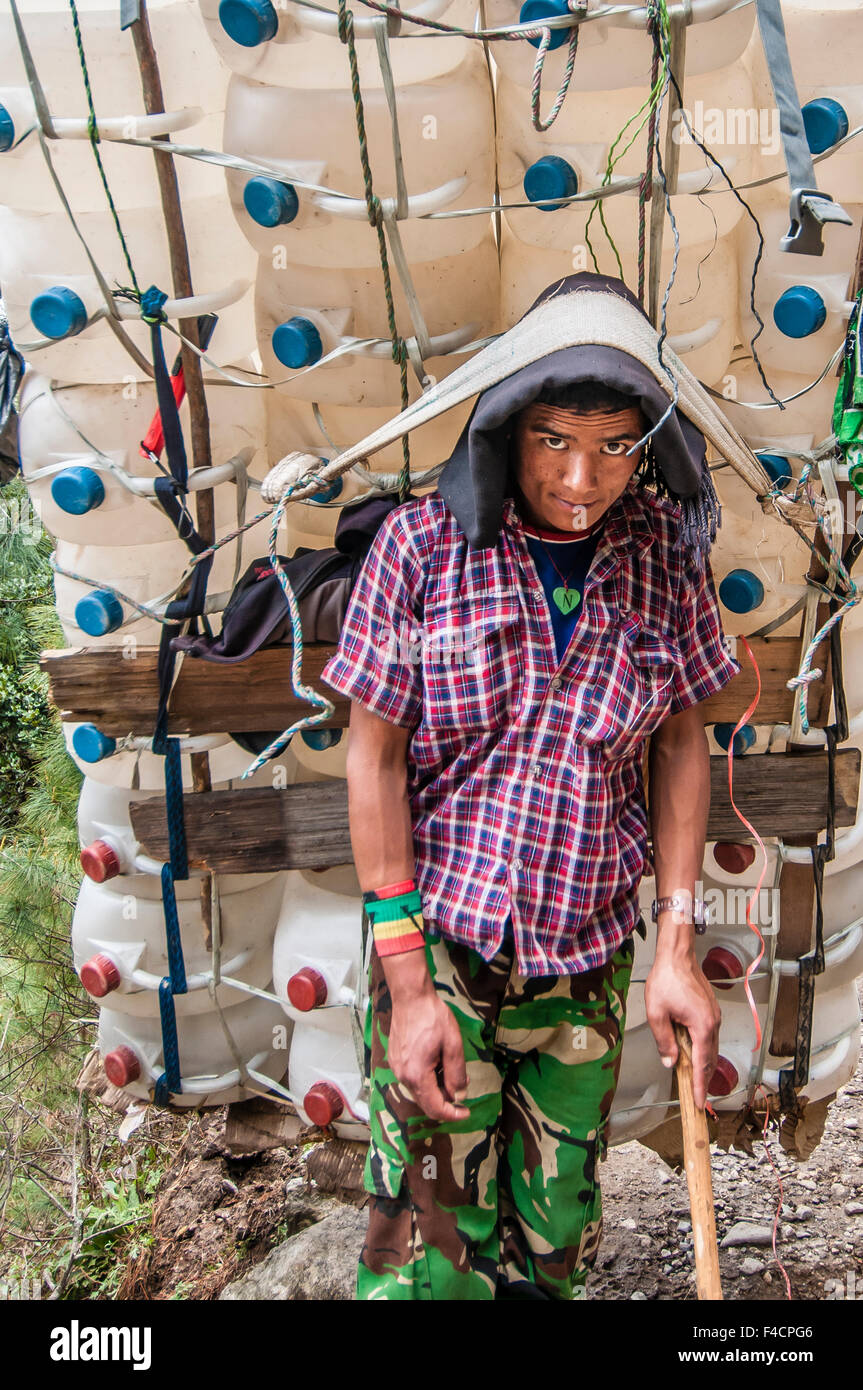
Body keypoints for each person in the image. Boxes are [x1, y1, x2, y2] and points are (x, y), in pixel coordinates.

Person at [320, 272, 742, 1300]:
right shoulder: (418, 550)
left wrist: (675, 948)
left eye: (610, 446)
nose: (580, 476)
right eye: (554, 439)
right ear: (507, 425)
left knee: (552, 1249)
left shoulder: (659, 562)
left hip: (584, 968)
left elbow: (681, 741)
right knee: (429, 1258)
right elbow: (371, 755)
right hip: (445, 961)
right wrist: (408, 986)